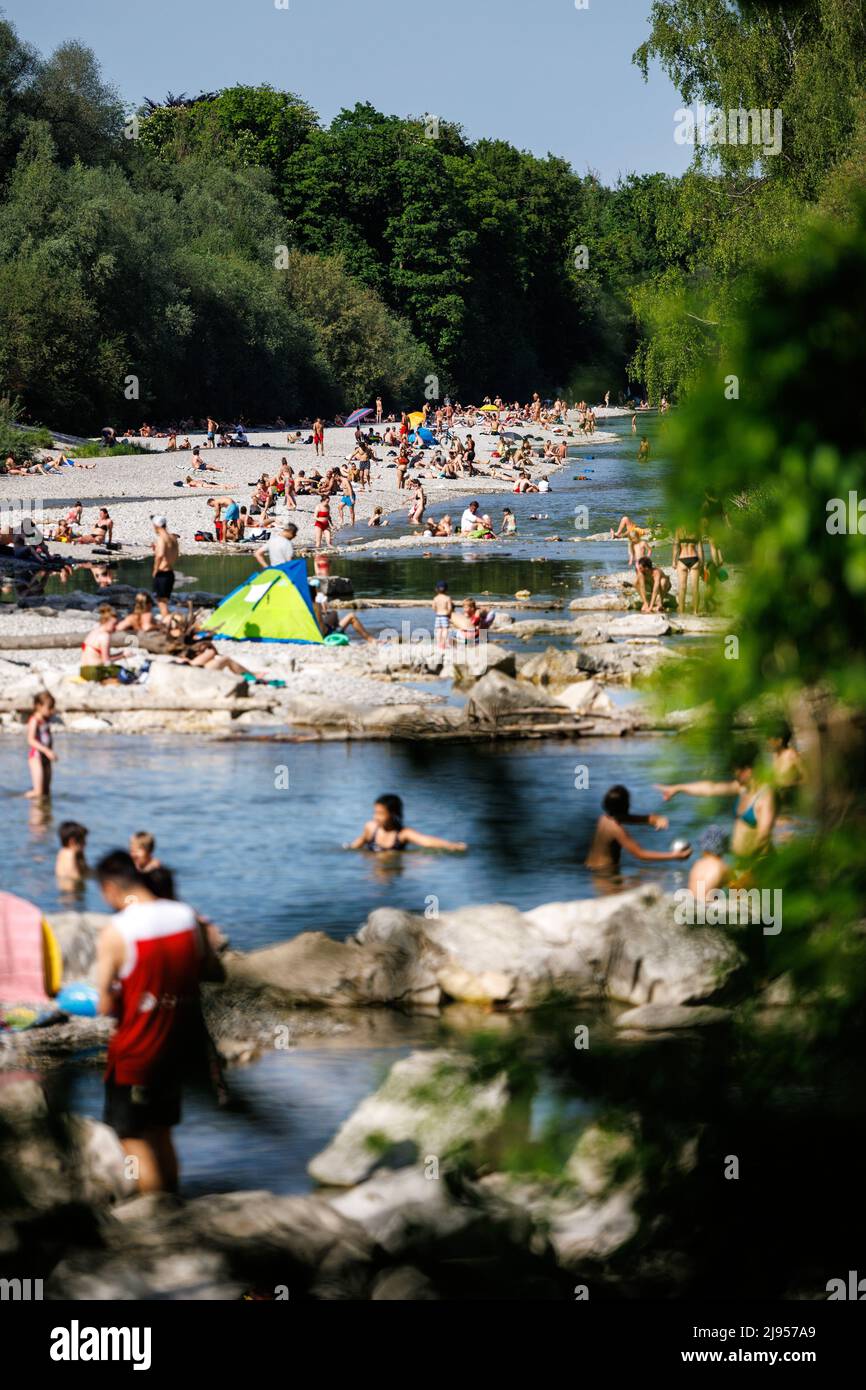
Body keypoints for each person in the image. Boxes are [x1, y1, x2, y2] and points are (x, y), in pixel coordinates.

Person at [95, 850, 224, 1194]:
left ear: (109, 888)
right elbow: (210, 969)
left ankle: (152, 1212)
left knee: (131, 1139)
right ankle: (173, 1202)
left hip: (136, 1055)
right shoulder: (187, 916)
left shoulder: (117, 931)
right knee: (161, 1131)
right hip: (176, 1048)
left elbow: (105, 1004)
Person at [656, 742, 777, 857]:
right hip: (743, 862)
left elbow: (764, 836)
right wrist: (678, 788)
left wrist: (748, 865)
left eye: (736, 770)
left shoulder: (766, 796)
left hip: (759, 861)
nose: (734, 773)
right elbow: (710, 788)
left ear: (749, 770)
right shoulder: (742, 788)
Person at [585, 785, 689, 871]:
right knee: (655, 879)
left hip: (593, 869)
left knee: (646, 876)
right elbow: (641, 854)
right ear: (626, 805)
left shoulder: (604, 818)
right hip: (606, 873)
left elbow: (635, 818)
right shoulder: (617, 829)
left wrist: (657, 819)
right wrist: (675, 856)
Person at [347, 794, 467, 853]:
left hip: (392, 869)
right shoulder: (371, 827)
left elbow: (427, 841)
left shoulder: (403, 834)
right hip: (373, 870)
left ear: (393, 814)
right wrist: (348, 849)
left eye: (381, 813)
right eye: (375, 813)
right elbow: (360, 842)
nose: (376, 817)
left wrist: (452, 845)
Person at [80, 604, 123, 682]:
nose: (115, 627)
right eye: (114, 624)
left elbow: (99, 656)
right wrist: (123, 655)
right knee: (124, 672)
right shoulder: (105, 636)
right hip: (94, 672)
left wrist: (119, 654)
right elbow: (106, 661)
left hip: (83, 671)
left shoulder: (93, 632)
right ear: (106, 622)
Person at [26, 692, 56, 798]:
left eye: (53, 707)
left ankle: (45, 813)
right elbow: (30, 740)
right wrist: (46, 751)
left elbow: (48, 738)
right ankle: (19, 802)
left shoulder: (46, 720)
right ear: (39, 706)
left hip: (45, 758)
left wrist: (51, 752)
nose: (52, 710)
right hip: (36, 757)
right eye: (49, 707)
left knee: (46, 792)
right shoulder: (34, 720)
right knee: (38, 792)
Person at [687, 825, 730, 897]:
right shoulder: (722, 866)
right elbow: (737, 888)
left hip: (689, 903)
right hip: (707, 906)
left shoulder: (698, 863)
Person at [151, 515, 179, 621]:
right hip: (170, 573)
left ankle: (168, 623)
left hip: (162, 573)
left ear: (156, 526)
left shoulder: (161, 538)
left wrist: (155, 569)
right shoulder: (173, 538)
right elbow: (175, 555)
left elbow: (160, 555)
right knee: (165, 602)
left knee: (161, 603)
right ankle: (170, 622)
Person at [672, 526, 704, 614]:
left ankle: (682, 611)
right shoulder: (696, 530)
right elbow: (700, 549)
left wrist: (673, 561)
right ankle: (695, 612)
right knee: (695, 588)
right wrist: (702, 562)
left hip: (682, 559)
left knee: (682, 588)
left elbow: (675, 547)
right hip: (694, 558)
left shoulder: (679, 530)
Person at [56, 821, 89, 890]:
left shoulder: (62, 851)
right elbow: (76, 877)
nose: (86, 844)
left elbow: (85, 869)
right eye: (83, 840)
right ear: (72, 842)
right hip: (72, 893)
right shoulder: (70, 856)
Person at [432, 580, 453, 650]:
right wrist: (449, 614)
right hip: (444, 616)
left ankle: (438, 644)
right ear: (446, 589)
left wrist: (437, 611)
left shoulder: (435, 598)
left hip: (438, 616)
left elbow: (433, 607)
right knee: (445, 630)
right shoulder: (447, 598)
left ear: (437, 589)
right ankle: (443, 644)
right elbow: (450, 608)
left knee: (439, 630)